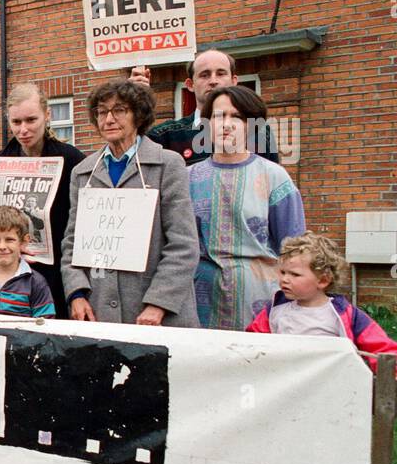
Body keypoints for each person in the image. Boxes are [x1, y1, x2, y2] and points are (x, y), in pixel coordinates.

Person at [61, 78, 200, 327]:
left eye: (119, 110)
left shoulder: (168, 165)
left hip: (157, 317)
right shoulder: (83, 172)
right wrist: (76, 293)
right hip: (98, 310)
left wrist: (158, 303)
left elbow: (183, 245)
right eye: (102, 112)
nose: (109, 119)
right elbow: (72, 242)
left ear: (138, 115)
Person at [0, 83, 86, 317]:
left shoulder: (72, 160)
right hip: (9, 278)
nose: (23, 130)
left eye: (31, 120)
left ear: (47, 116)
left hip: (57, 279)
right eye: (16, 122)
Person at [190, 85, 305, 329]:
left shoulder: (274, 177)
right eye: (219, 116)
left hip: (259, 301)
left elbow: (294, 248)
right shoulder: (186, 177)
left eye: (237, 117)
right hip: (200, 299)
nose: (226, 124)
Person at [246, 232, 397, 379]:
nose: (284, 279)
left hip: (331, 387)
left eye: (295, 274)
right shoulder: (275, 310)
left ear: (323, 280)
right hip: (284, 384)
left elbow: (382, 347)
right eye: (283, 272)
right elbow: (251, 342)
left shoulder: (343, 314)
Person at [130, 50, 279, 165]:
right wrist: (131, 102)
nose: (213, 81)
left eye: (221, 74)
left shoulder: (257, 130)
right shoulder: (166, 135)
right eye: (204, 75)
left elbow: (271, 186)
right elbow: (128, 156)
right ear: (190, 84)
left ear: (234, 81)